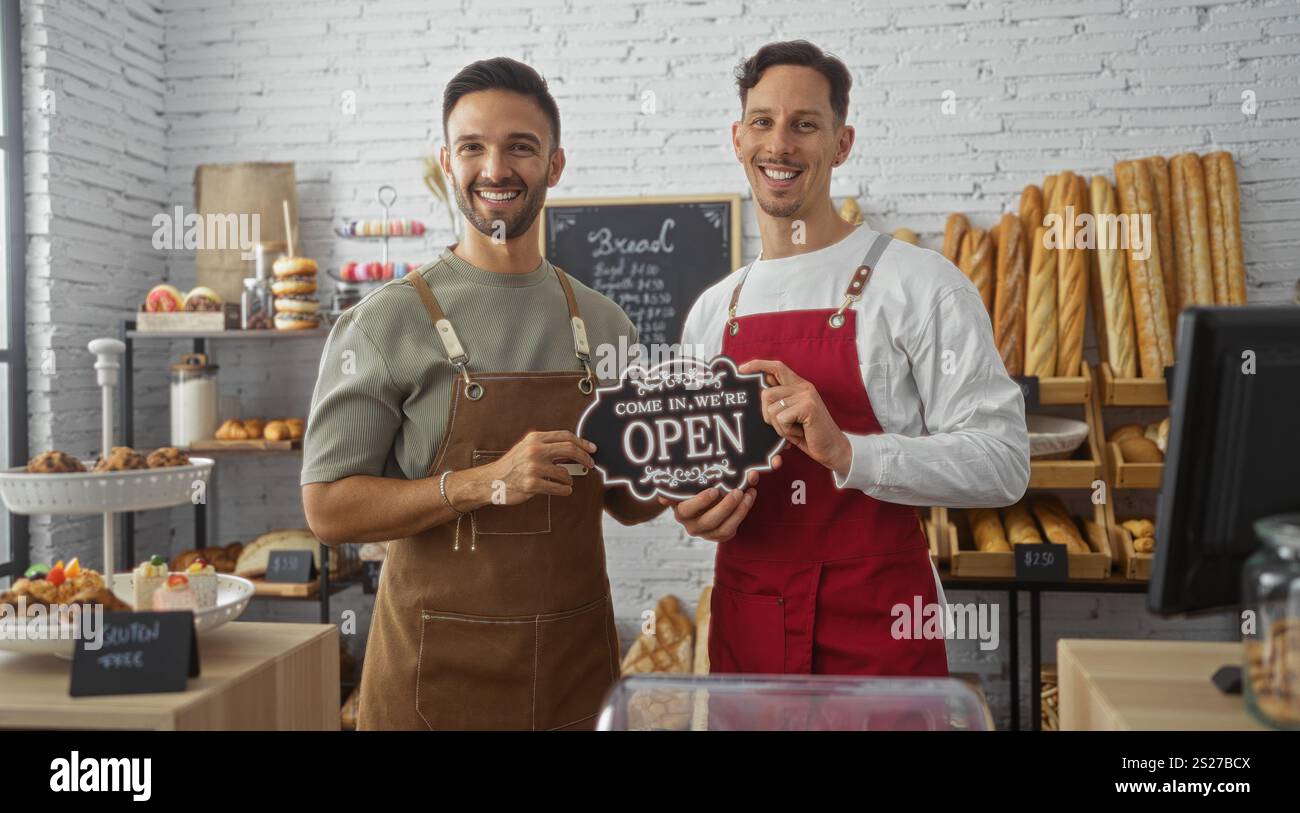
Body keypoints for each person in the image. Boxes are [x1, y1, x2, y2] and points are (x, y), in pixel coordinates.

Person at [302, 57, 660, 730]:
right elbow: (327, 508)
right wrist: (484, 481)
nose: (496, 168)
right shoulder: (385, 322)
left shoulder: (606, 323)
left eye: (520, 147)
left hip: (573, 673)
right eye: (473, 147)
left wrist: (697, 471)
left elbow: (627, 500)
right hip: (431, 681)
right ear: (447, 162)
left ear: (554, 165)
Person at [666, 40, 1030, 679]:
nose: (780, 144)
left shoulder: (919, 283)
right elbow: (700, 477)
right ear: (737, 137)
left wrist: (848, 452)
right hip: (749, 626)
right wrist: (697, 510)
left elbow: (1003, 465)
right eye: (763, 122)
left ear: (841, 143)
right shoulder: (711, 311)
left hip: (882, 623)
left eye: (805, 124)